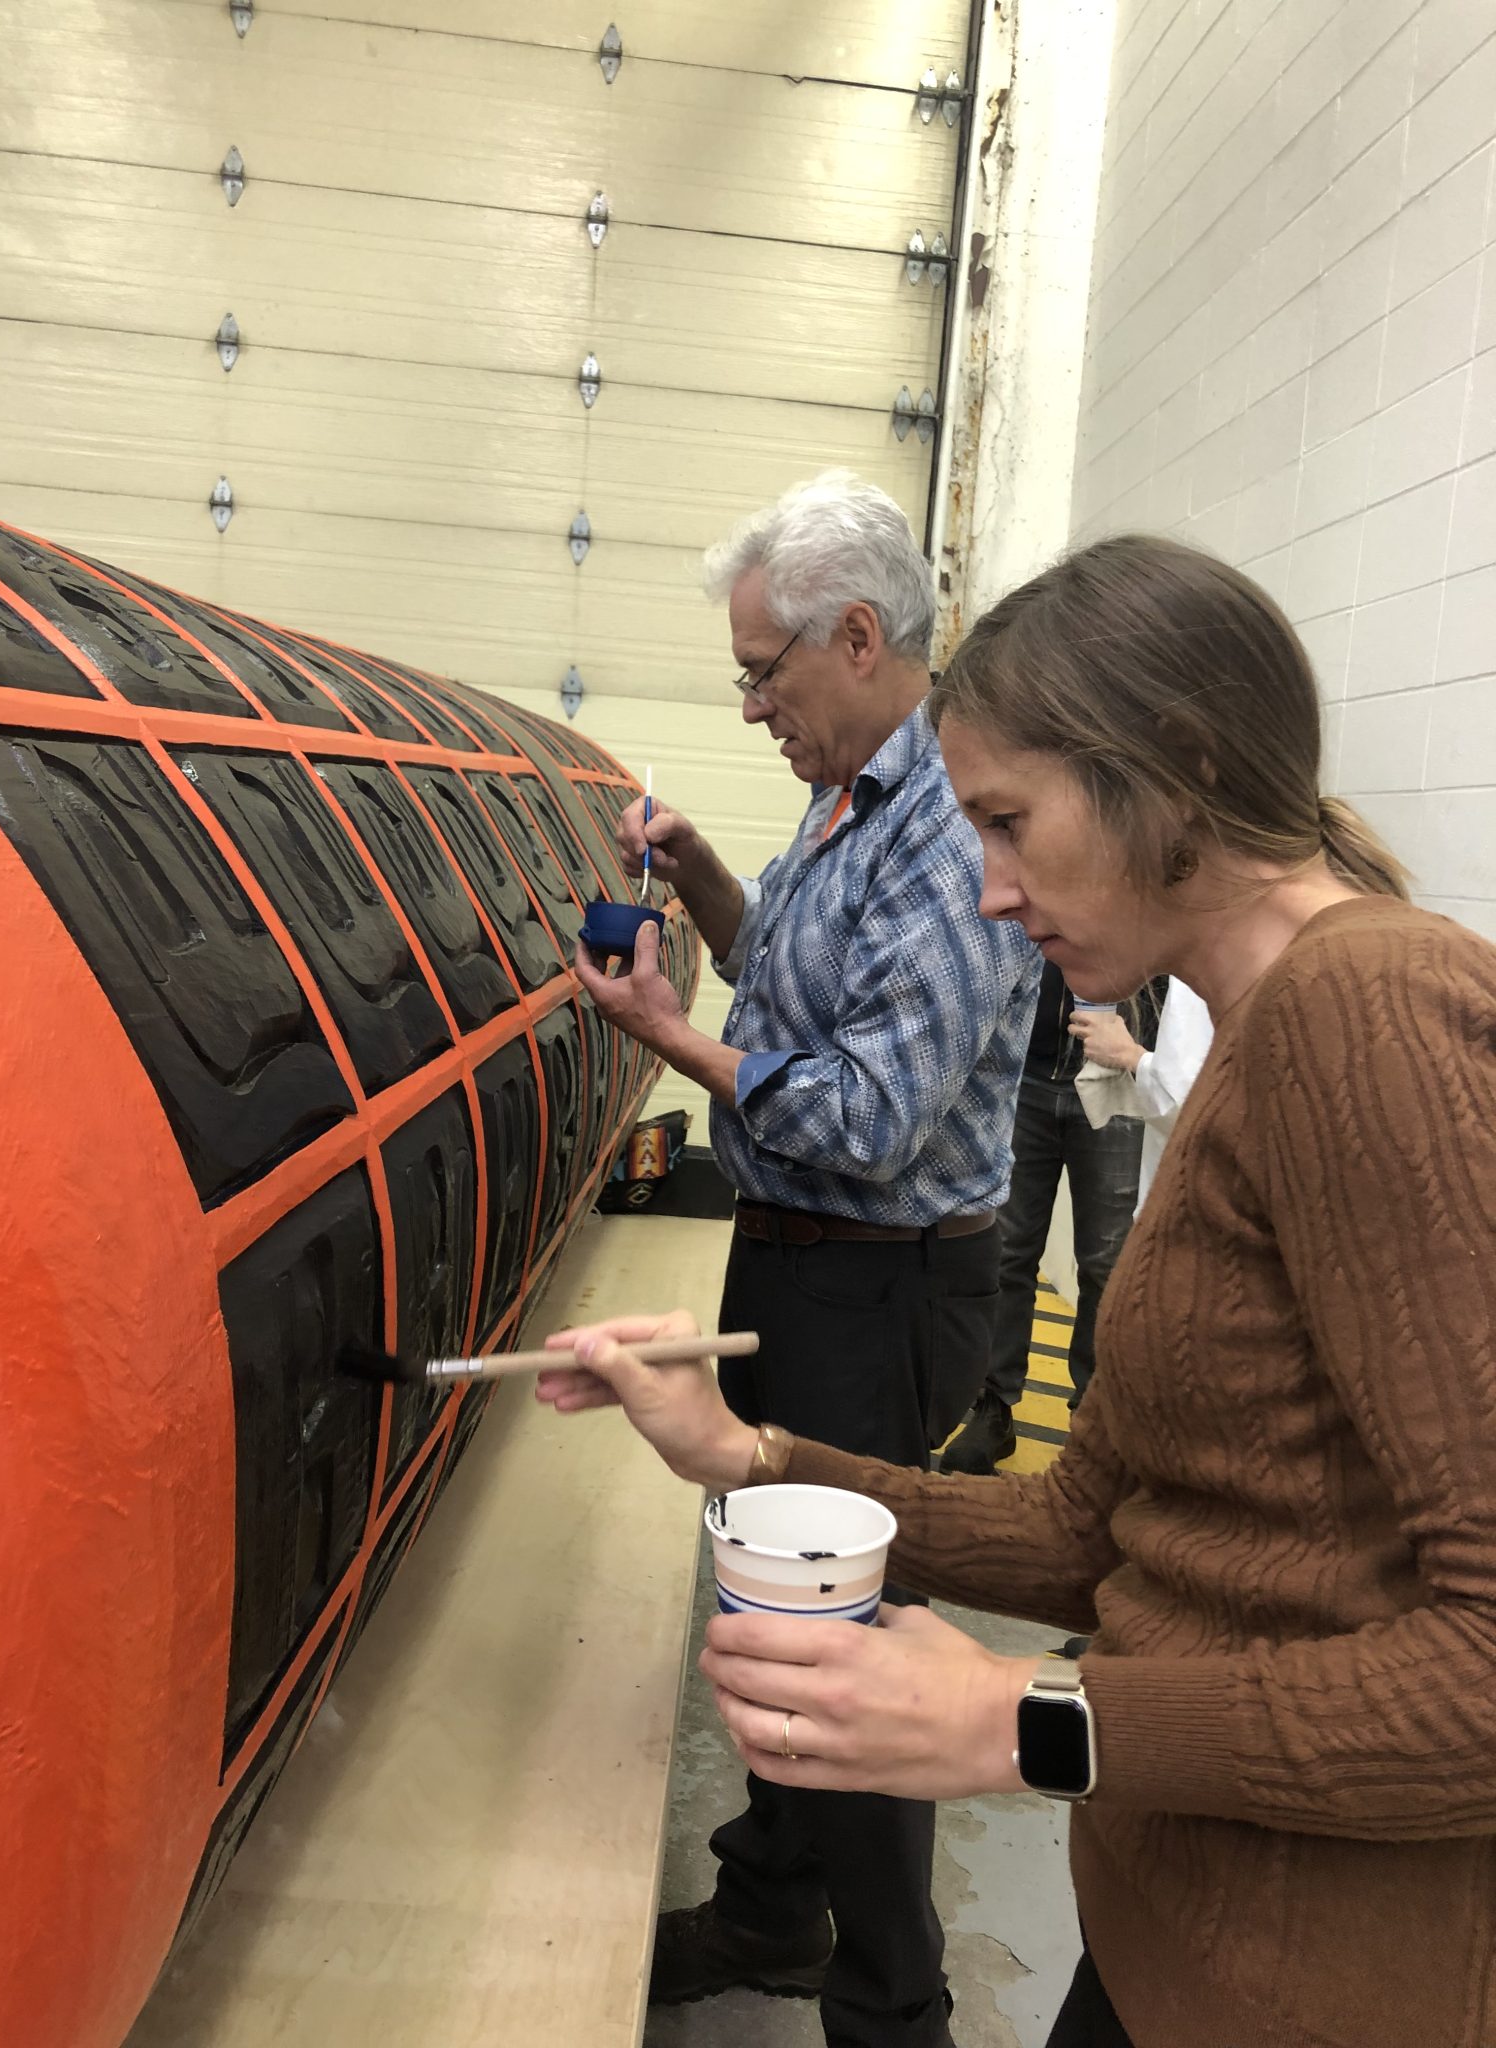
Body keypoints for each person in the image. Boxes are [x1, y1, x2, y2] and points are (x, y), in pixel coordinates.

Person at [541, 534, 1496, 2048]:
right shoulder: (1249, 1033)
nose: (986, 895)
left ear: (1166, 777)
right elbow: (1097, 1528)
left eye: (1007, 823)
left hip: (1308, 1982)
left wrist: (1029, 1722)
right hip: (1173, 1928)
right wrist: (751, 1455)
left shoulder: (1366, 1014)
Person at [571, 472, 1039, 2048]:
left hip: (882, 1280)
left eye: (765, 672)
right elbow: (792, 962)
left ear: (858, 635)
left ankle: (897, 2003)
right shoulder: (849, 792)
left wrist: (667, 1040)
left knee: (843, 1640)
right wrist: (704, 875)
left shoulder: (954, 821)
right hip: (796, 1262)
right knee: (772, 1604)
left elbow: (874, 1111)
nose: (757, 702)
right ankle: (774, 1905)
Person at [939, 962, 1154, 1476]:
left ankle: (1093, 1424)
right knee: (1006, 1251)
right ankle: (993, 1409)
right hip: (1025, 1073)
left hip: (1120, 1075)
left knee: (1108, 1264)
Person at [1068, 978, 1214, 1214]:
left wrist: (1132, 1056)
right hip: (1040, 1075)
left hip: (1139, 1088)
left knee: (1109, 1238)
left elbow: (1182, 1097)